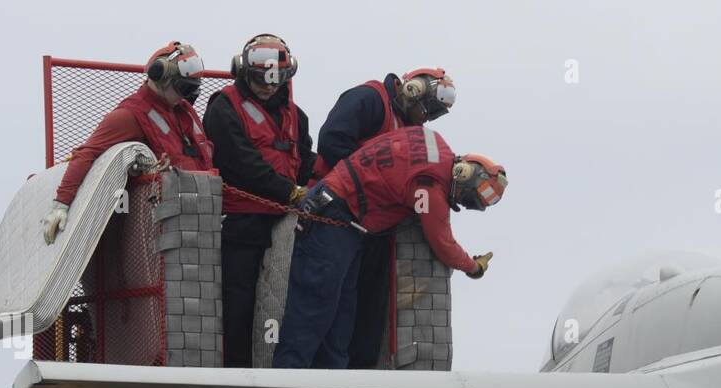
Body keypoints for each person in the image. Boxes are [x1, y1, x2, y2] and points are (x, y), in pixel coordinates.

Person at [272, 128, 505, 369]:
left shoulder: (433, 140)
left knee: (341, 312)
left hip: (343, 216)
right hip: (335, 217)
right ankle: (286, 381)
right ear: (464, 175)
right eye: (467, 198)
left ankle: (329, 387)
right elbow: (442, 242)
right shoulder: (430, 189)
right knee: (314, 306)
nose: (459, 202)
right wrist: (473, 266)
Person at [313, 69, 458, 368]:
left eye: (432, 114)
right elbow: (330, 141)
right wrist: (374, 177)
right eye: (425, 108)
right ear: (413, 89)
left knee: (369, 306)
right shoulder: (368, 99)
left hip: (373, 226)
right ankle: (328, 373)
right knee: (332, 300)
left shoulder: (406, 127)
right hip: (338, 212)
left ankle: (360, 375)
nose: (425, 118)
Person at [205, 34, 315, 367]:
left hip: (285, 221)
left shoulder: (296, 115)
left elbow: (305, 159)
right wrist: (288, 191)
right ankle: (235, 378)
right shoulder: (223, 107)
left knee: (286, 305)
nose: (267, 87)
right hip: (242, 223)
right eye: (259, 80)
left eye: (275, 80)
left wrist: (325, 185)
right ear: (244, 72)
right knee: (238, 306)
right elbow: (240, 161)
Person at [44, 42, 214, 244]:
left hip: (200, 215)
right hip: (164, 224)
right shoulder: (129, 115)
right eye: (182, 88)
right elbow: (87, 154)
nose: (185, 96)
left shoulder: (182, 110)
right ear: (161, 77)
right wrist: (61, 204)